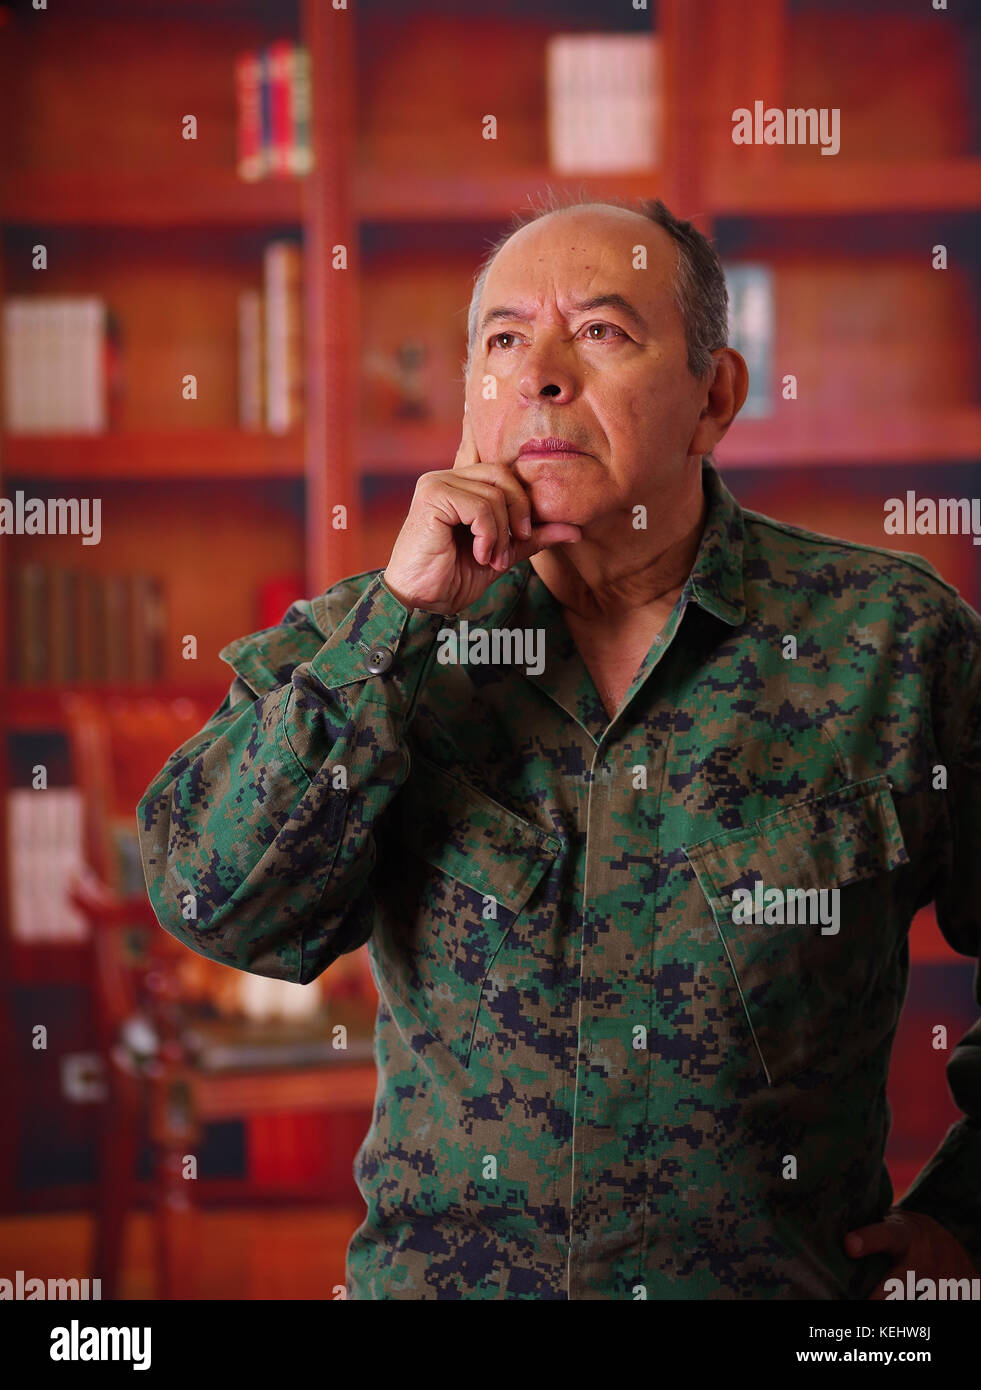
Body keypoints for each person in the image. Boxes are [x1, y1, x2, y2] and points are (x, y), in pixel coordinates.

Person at [137, 197, 981, 1300]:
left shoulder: (893, 646)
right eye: (502, 340)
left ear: (714, 396)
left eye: (600, 333)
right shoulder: (374, 642)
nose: (539, 374)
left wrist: (969, 1215)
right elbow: (213, 898)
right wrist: (402, 622)